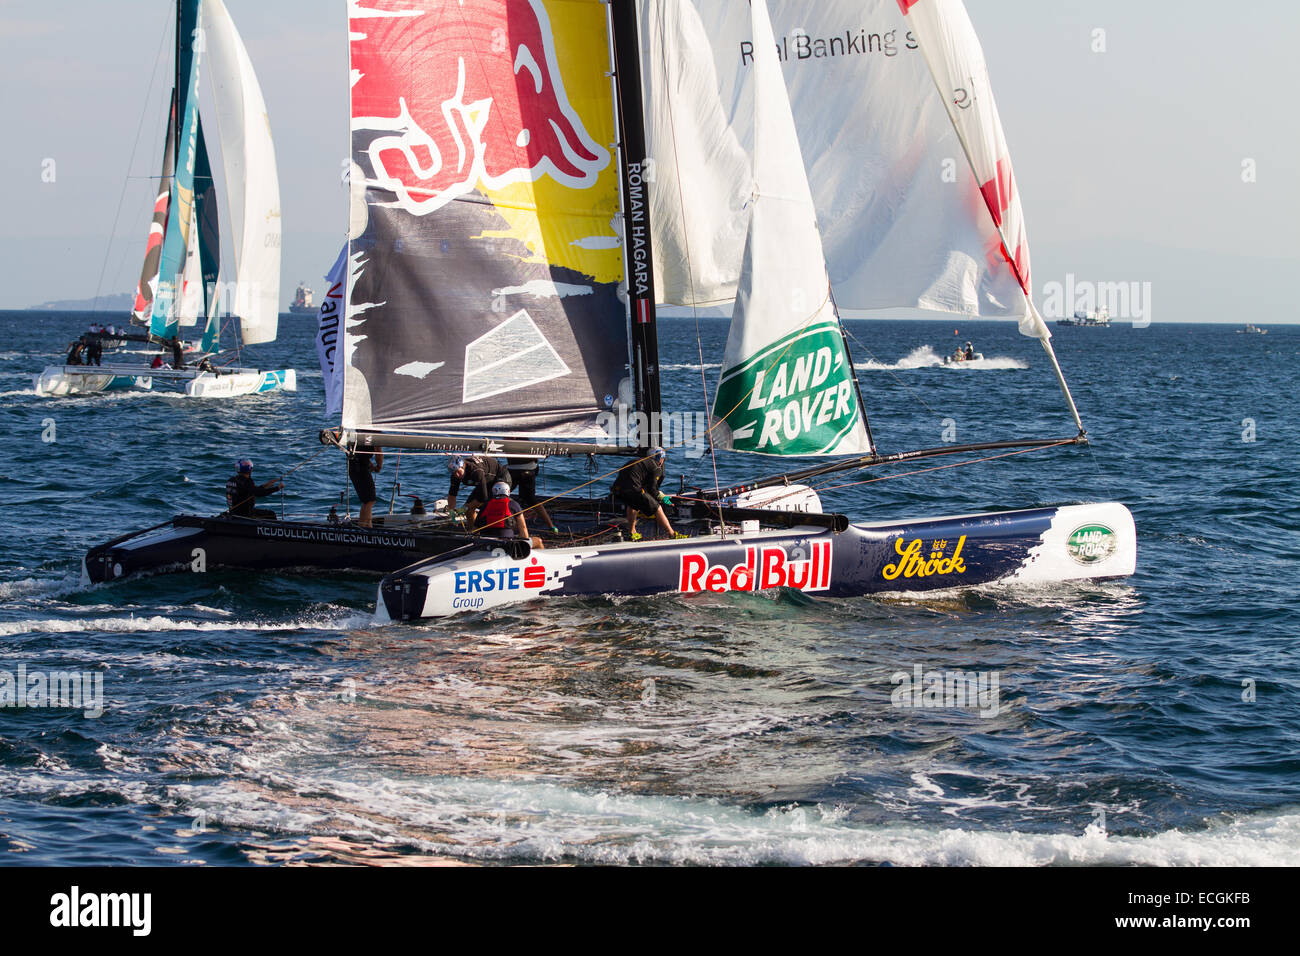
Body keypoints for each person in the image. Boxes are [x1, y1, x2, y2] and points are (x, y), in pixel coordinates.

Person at [611, 446, 684, 541]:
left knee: (633, 505)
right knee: (657, 508)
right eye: (662, 458)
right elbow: (652, 490)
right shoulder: (655, 466)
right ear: (659, 458)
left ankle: (632, 532)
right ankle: (672, 534)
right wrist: (665, 499)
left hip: (617, 490)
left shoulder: (638, 462)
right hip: (634, 489)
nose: (662, 461)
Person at [473, 481, 543, 549]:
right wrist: (525, 545)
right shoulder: (514, 504)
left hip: (486, 543)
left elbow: (475, 528)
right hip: (507, 545)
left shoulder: (485, 505)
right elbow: (523, 527)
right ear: (508, 491)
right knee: (538, 541)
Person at [446, 455, 510, 529]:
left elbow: (483, 498)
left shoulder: (476, 471)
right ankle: (474, 533)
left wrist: (464, 508)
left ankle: (498, 529)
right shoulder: (455, 476)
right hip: (486, 481)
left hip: (500, 478)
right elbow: (452, 495)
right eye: (454, 473)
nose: (457, 475)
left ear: (464, 466)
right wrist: (452, 514)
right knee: (468, 511)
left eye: (458, 471)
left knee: (493, 506)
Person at [506, 455, 557, 533]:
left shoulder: (509, 442)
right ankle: (551, 526)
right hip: (530, 469)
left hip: (514, 470)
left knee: (501, 494)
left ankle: (511, 523)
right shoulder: (529, 442)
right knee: (531, 499)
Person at [349, 448, 384, 527]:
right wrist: (379, 467)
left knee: (366, 501)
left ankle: (368, 526)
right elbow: (379, 454)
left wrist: (370, 464)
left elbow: (359, 455)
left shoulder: (357, 438)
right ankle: (363, 527)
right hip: (361, 469)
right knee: (370, 500)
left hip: (353, 468)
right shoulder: (375, 436)